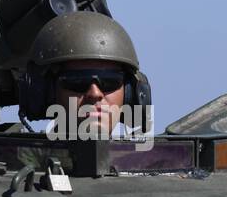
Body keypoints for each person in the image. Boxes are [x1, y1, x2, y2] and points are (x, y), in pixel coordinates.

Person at [18, 11, 151, 138]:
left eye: (110, 83)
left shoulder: (154, 159)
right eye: (78, 82)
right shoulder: (14, 158)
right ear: (47, 92)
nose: (94, 94)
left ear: (129, 95)